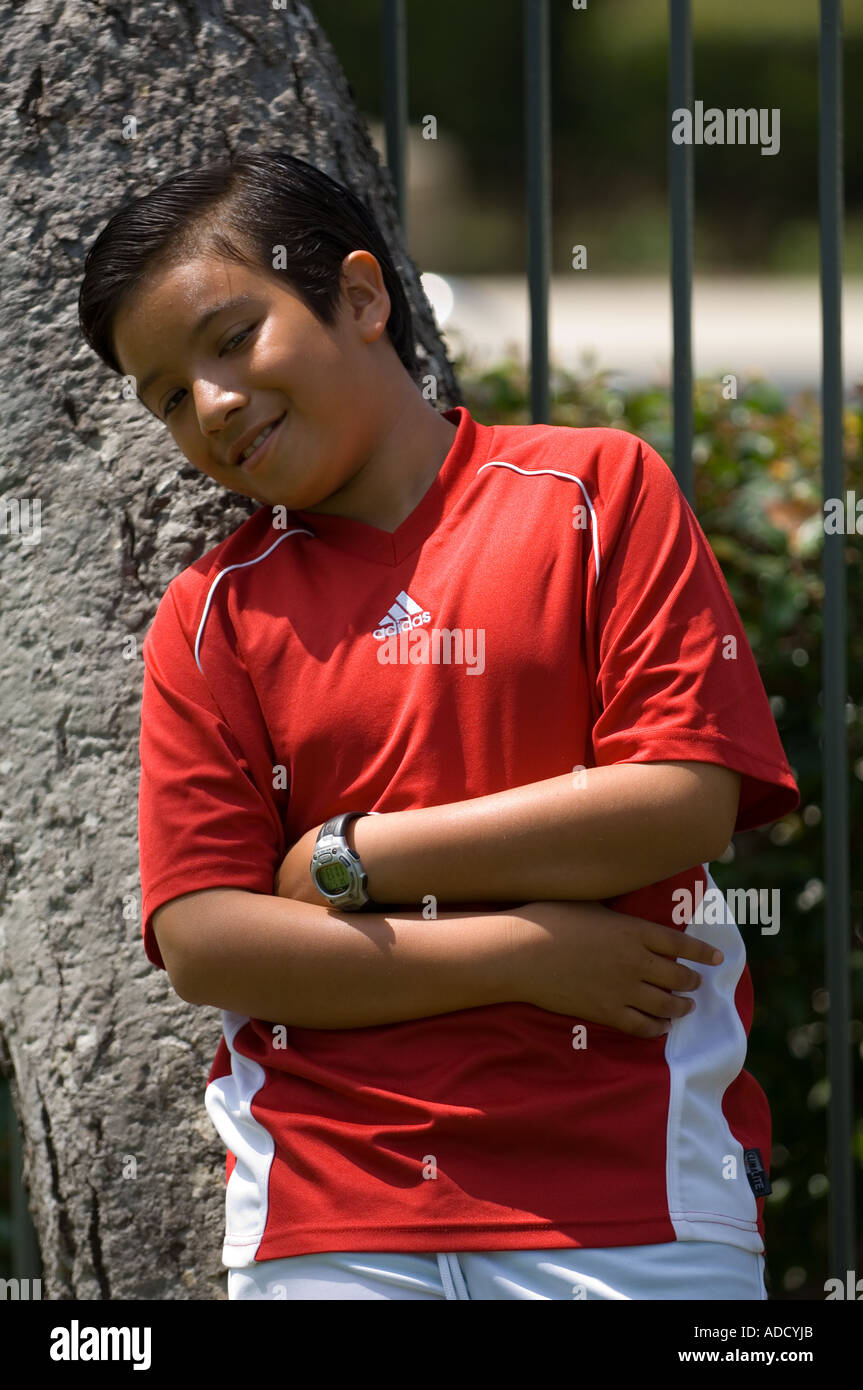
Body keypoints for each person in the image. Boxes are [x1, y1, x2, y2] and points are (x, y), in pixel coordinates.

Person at [77, 148, 799, 1301]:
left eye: (229, 339)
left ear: (361, 297)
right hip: (325, 1217)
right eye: (167, 394)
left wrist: (347, 857)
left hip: (636, 1193)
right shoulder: (209, 613)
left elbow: (679, 799)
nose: (208, 404)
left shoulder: (594, 491)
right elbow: (210, 937)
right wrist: (527, 951)